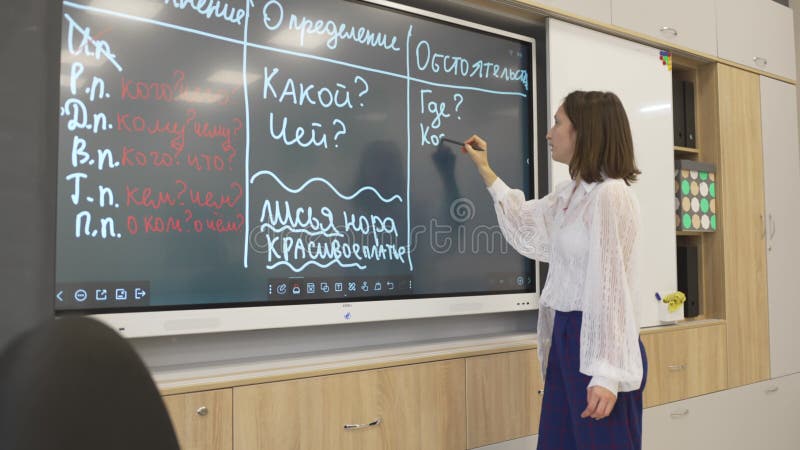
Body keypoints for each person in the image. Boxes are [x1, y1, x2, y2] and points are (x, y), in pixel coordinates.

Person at [462, 90, 647, 450]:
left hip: (597, 343)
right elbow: (524, 222)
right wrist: (484, 168)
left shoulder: (611, 195)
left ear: (584, 132)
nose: (549, 133)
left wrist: (607, 374)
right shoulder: (570, 194)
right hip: (566, 337)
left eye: (558, 123)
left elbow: (611, 287)